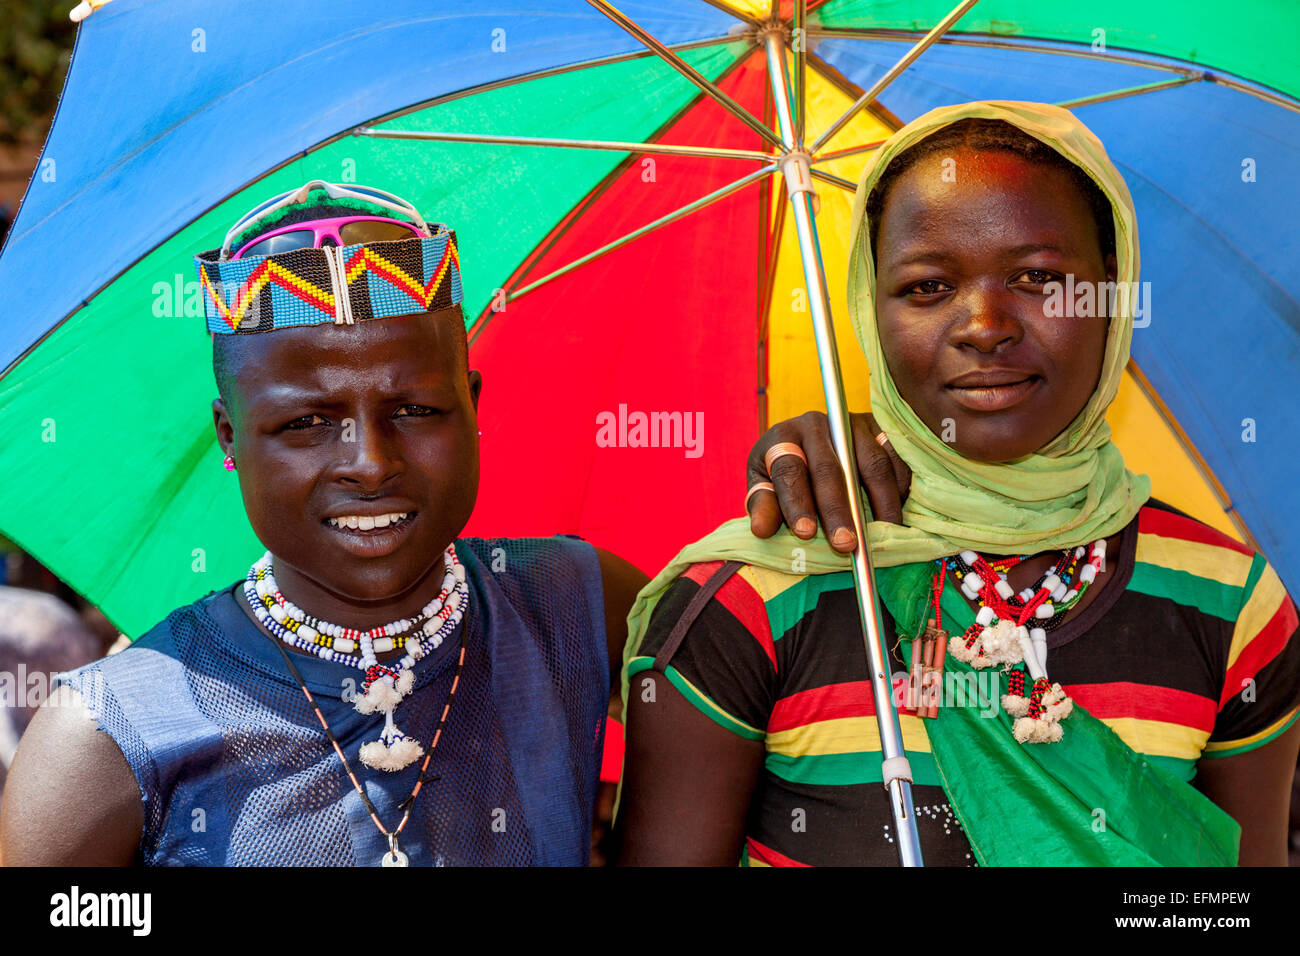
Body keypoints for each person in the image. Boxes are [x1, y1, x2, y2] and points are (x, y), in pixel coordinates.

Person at [0, 180, 905, 866]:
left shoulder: (576, 602)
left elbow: (789, 681)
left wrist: (826, 465)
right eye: (306, 422)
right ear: (232, 437)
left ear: (473, 405)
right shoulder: (108, 734)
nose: (369, 461)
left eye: (417, 410)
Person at [616, 101, 1300, 867]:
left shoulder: (1231, 603)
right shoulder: (757, 601)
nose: (984, 324)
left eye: (1040, 277)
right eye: (928, 287)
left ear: (1111, 294)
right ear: (869, 315)